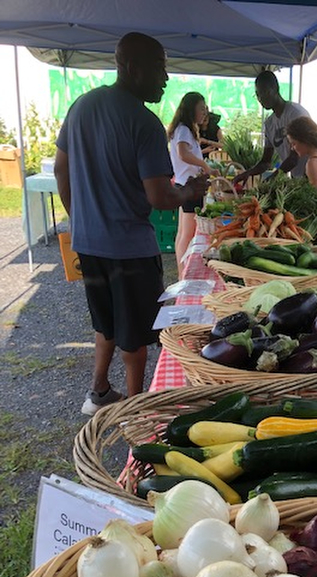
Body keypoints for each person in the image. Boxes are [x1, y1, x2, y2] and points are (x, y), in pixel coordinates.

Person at [54, 32, 210, 416]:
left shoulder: (82, 106)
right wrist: (190, 191)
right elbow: (159, 196)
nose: (166, 79)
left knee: (105, 321)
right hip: (129, 249)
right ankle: (136, 408)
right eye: (160, 69)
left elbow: (61, 169)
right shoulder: (144, 122)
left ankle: (100, 391)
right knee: (136, 333)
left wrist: (82, 218)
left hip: (89, 243)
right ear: (134, 68)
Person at [167, 92, 217, 276]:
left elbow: (188, 154)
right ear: (191, 109)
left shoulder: (185, 129)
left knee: (183, 233)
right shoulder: (183, 130)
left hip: (185, 185)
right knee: (186, 234)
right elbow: (182, 153)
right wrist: (205, 165)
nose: (205, 112)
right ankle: (183, 274)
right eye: (201, 109)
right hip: (188, 187)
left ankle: (182, 273)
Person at [233, 70, 309, 186]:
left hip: (312, 176)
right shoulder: (269, 123)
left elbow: (294, 158)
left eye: (265, 92)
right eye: (258, 94)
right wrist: (247, 173)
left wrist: (272, 178)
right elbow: (265, 162)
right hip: (296, 179)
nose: (261, 98)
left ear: (275, 89)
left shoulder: (295, 114)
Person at [286, 116, 317, 190]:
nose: (292, 148)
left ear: (304, 140)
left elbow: (316, 196)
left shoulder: (313, 163)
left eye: (294, 144)